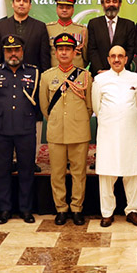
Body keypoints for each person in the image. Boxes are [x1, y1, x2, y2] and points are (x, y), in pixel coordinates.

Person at [40, 34, 92, 226]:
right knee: (57, 173)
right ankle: (61, 208)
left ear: (74, 52)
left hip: (79, 131)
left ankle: (77, 208)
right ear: (55, 52)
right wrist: (57, 121)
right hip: (56, 132)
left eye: (67, 49)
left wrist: (77, 120)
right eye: (60, 49)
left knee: (79, 173)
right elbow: (45, 106)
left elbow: (89, 106)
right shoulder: (47, 76)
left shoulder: (85, 76)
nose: (63, 53)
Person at [92, 45, 137, 228]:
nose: (116, 59)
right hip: (108, 134)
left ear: (126, 59)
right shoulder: (99, 80)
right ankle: (107, 213)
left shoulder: (136, 79)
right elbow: (96, 107)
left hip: (130, 134)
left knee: (132, 173)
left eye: (120, 56)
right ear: (108, 59)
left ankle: (133, 211)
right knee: (107, 174)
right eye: (113, 56)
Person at [0, 35, 41, 224]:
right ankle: (5, 209)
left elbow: (39, 101)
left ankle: (26, 209)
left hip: (26, 128)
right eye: (9, 50)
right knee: (2, 171)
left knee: (27, 170)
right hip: (0, 129)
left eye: (16, 50)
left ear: (22, 51)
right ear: (3, 52)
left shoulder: (34, 72)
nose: (13, 54)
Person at [0, 0, 51, 72]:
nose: (21, 3)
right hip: (6, 75)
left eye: (25, 1)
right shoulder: (1, 25)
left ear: (30, 6)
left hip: (32, 75)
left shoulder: (40, 27)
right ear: (13, 4)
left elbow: (44, 58)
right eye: (18, 0)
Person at [87, 0, 136, 76]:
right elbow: (92, 49)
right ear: (103, 4)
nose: (111, 4)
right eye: (108, 2)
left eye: (114, 1)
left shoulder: (128, 25)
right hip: (99, 74)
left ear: (119, 4)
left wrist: (118, 69)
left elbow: (130, 50)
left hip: (122, 73)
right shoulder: (94, 24)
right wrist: (99, 70)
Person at [46, 0, 88, 69]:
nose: (64, 10)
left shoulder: (82, 29)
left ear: (73, 10)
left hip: (76, 72)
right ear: (56, 9)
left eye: (68, 8)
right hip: (54, 72)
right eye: (61, 7)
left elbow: (86, 56)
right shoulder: (48, 28)